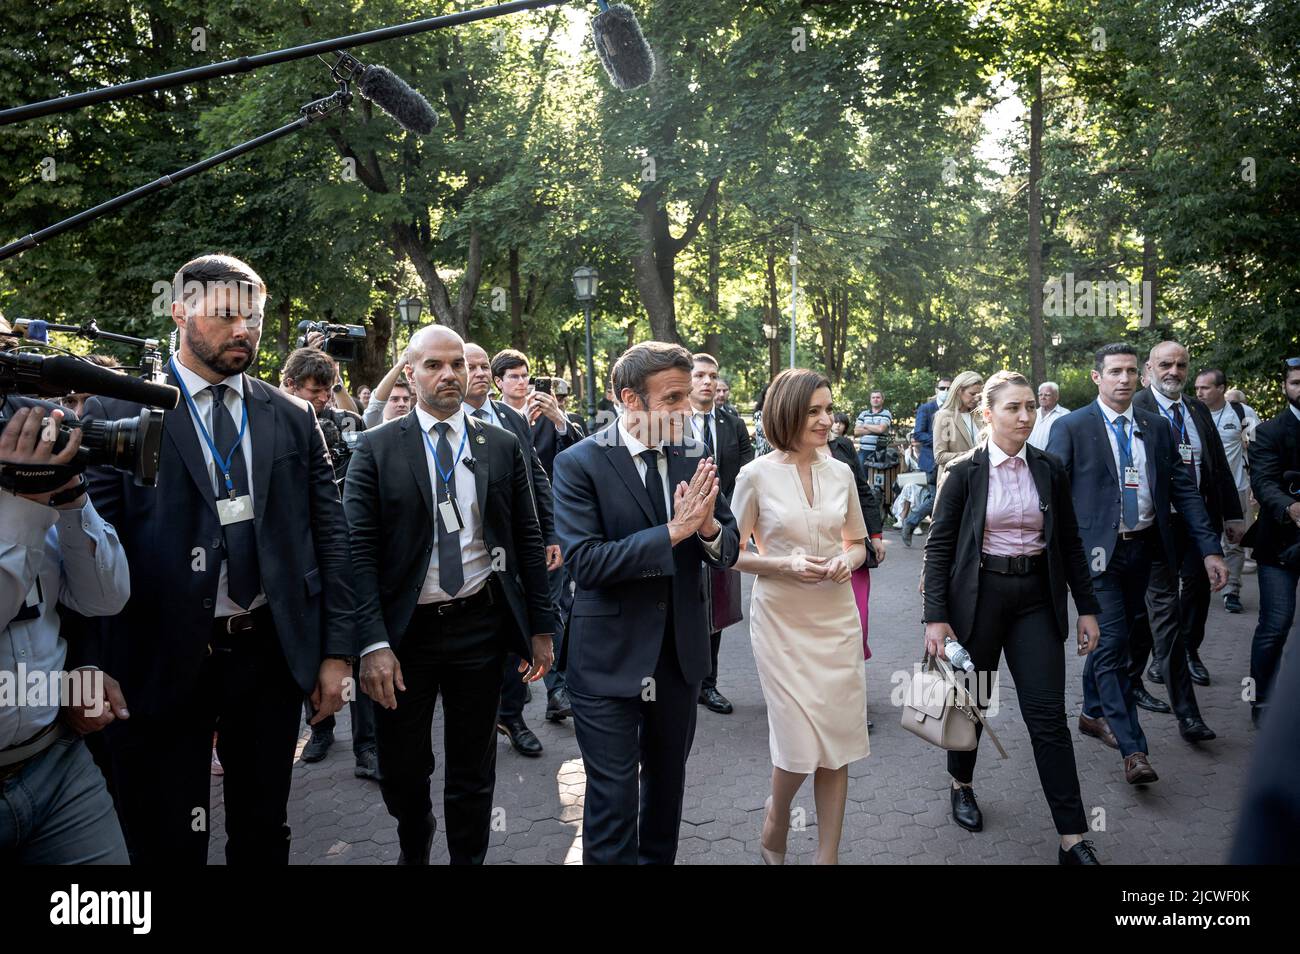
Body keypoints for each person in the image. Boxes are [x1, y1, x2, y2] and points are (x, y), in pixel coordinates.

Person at [80, 253, 357, 864]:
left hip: (264, 657)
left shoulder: (290, 415)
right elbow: (87, 550)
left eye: (253, 318)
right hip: (158, 659)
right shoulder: (118, 412)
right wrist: (89, 664)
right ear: (180, 311)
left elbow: (331, 538)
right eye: (227, 315)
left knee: (263, 832)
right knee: (169, 838)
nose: (244, 331)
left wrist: (337, 653)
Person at [343, 325, 555, 865]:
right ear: (409, 373)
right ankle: (415, 843)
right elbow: (356, 553)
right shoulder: (377, 448)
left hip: (479, 627)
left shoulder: (501, 444)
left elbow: (527, 538)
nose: (450, 375)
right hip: (404, 637)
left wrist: (541, 627)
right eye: (435, 365)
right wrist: (370, 643)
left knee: (473, 767)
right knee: (403, 768)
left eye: (457, 364)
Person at [551, 341, 739, 864]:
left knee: (666, 795)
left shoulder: (692, 456)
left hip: (679, 660)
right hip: (606, 661)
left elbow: (729, 547)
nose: (687, 410)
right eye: (673, 399)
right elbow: (586, 564)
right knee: (613, 803)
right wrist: (673, 532)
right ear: (630, 400)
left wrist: (705, 530)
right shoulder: (578, 463)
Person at [923, 371, 1102, 863]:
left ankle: (1073, 838)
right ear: (987, 414)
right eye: (1012, 408)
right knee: (970, 705)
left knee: (1048, 719)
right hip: (978, 600)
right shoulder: (963, 472)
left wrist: (1087, 607)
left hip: (1036, 601)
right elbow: (938, 548)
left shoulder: (1049, 468)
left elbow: (1069, 542)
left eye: (1029, 407)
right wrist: (935, 617)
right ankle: (961, 783)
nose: (1025, 417)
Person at [1047, 344, 1226, 785]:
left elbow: (1182, 490)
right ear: (1097, 378)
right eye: (1115, 372)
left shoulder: (1156, 427)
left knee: (1122, 638)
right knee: (1112, 645)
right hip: (1095, 556)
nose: (1124, 379)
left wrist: (1209, 548)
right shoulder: (1072, 427)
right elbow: (1051, 497)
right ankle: (1133, 748)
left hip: (1144, 549)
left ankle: (1091, 712)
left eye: (1130, 371)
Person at [730, 369, 869, 865]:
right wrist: (783, 563)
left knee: (837, 741)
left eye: (829, 409)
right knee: (796, 743)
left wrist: (844, 561)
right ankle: (777, 815)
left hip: (836, 619)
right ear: (785, 412)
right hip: (781, 621)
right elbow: (731, 553)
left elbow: (859, 542)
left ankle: (826, 857)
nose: (826, 420)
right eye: (814, 411)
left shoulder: (842, 473)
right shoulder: (755, 475)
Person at [1, 404, 131, 863]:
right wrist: (23, 507)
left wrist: (71, 495)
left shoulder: (32, 480)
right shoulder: (24, 497)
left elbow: (105, 598)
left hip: (53, 762)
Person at [459, 343, 565, 756]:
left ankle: (513, 715)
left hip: (516, 549)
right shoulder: (444, 423)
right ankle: (477, 718)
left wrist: (550, 534)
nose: (480, 372)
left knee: (518, 628)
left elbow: (536, 477)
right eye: (471, 366)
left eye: (485, 366)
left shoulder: (508, 417)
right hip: (466, 551)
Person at [280, 347, 379, 779]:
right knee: (309, 641)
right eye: (313, 390)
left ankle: (368, 746)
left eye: (328, 390)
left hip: (348, 547)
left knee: (354, 646)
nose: (322, 398)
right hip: (302, 554)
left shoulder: (348, 423)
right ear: (290, 386)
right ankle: (320, 728)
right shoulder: (278, 424)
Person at [1131, 342, 1242, 697]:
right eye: (1165, 364)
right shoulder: (1136, 408)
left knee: (1198, 589)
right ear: (1149, 369)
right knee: (1156, 597)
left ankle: (1189, 651)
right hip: (1155, 522)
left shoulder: (1197, 408)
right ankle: (1157, 657)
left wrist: (1233, 514)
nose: (1173, 372)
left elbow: (1218, 465)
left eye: (1181, 365)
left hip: (1198, 520)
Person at [688, 353, 754, 716]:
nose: (708, 382)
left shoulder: (731, 422)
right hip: (680, 528)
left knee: (717, 607)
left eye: (713, 376)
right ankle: (682, 681)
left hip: (722, 526)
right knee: (685, 604)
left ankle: (708, 685)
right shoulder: (672, 421)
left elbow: (746, 472)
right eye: (700, 375)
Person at [1240, 357, 1300, 727]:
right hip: (1279, 542)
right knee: (1275, 624)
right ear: (1285, 387)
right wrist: (1291, 507)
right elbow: (1262, 482)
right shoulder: (1269, 431)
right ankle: (1258, 699)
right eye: (1296, 382)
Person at [827, 405, 887, 712]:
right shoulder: (782, 453)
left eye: (827, 410)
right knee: (825, 633)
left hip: (853, 547)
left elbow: (864, 492)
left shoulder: (844, 447)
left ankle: (851, 701)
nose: (825, 419)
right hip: (814, 554)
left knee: (857, 624)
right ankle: (830, 701)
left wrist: (875, 536)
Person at [1195, 368, 1260, 613]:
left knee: (1235, 543)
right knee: (1201, 539)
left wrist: (1256, 485)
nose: (1199, 393)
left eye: (1205, 388)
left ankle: (1231, 590)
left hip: (1237, 488)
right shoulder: (1191, 413)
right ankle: (1200, 585)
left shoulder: (1244, 413)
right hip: (1202, 493)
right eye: (1197, 388)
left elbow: (1255, 450)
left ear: (1221, 388)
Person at [491, 349, 581, 477]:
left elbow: (577, 452)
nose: (522, 382)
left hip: (549, 491)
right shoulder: (490, 415)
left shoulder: (547, 412)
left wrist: (559, 419)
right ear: (498, 381)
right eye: (514, 376)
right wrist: (523, 424)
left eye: (525, 375)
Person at [902, 377, 950, 546]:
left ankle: (937, 536)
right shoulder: (927, 408)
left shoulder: (955, 408)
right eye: (942, 388)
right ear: (937, 390)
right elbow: (918, 434)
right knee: (938, 498)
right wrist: (940, 440)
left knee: (942, 499)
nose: (945, 391)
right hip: (931, 461)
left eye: (948, 388)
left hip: (950, 460)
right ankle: (910, 522)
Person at [932, 371, 984, 481]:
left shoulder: (979, 416)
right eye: (972, 394)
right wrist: (972, 455)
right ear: (959, 391)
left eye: (978, 395)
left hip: (978, 480)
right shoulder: (945, 417)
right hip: (954, 482)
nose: (976, 398)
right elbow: (940, 456)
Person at [854, 389, 892, 472]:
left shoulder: (886, 413)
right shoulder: (863, 414)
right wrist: (876, 429)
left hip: (880, 451)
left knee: (878, 478)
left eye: (878, 397)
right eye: (873, 397)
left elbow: (881, 429)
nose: (875, 399)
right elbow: (856, 431)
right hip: (864, 451)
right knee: (862, 477)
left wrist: (865, 425)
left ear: (882, 400)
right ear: (870, 400)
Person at [1027, 381, 1070, 450]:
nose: (1042, 397)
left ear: (1056, 397)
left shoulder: (1064, 414)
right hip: (1030, 457)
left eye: (1047, 395)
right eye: (1040, 395)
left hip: (1051, 458)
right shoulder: (1032, 413)